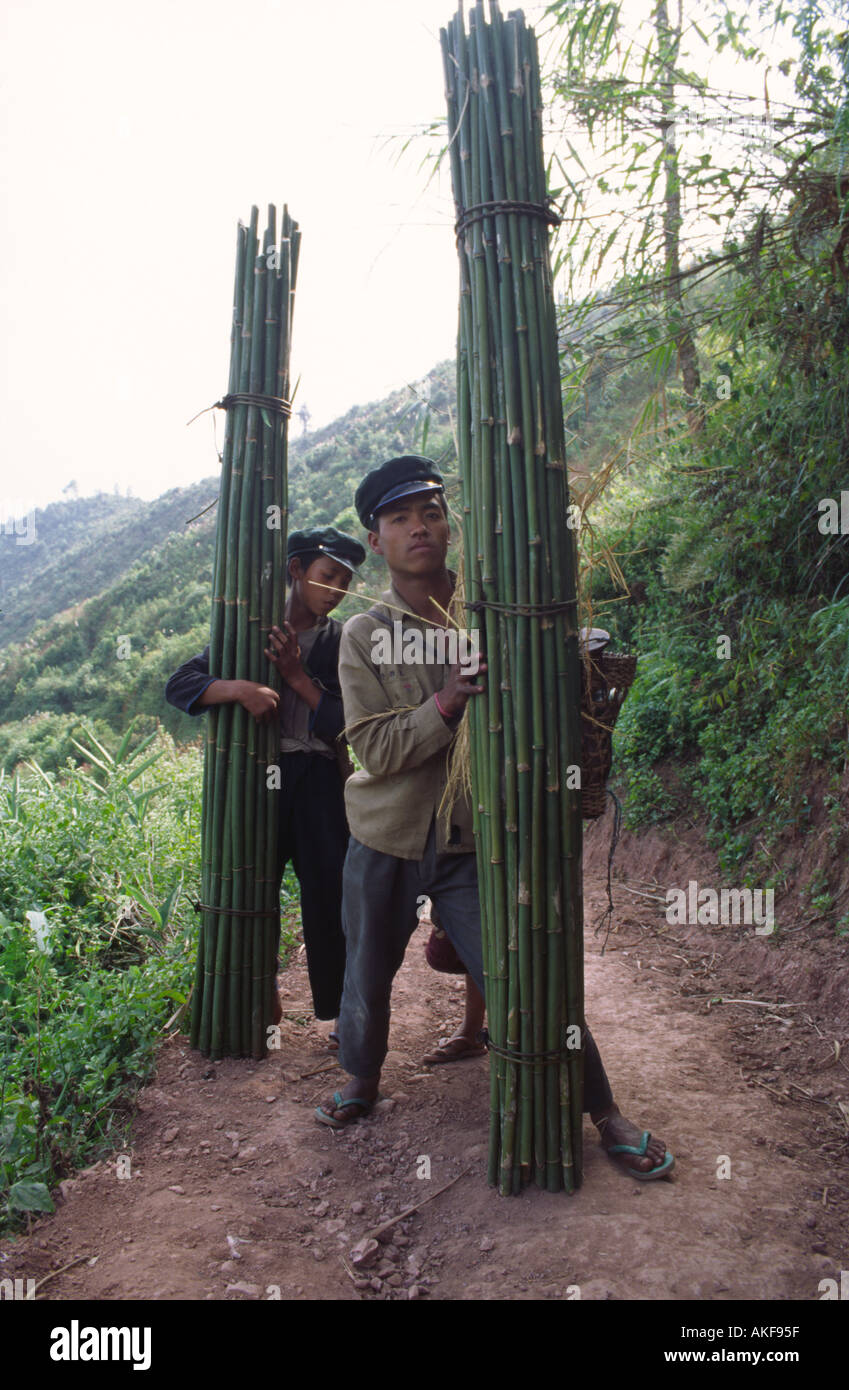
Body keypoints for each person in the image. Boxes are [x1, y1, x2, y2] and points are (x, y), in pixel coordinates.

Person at [315, 456, 674, 1181]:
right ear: (377, 543)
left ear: (449, 524)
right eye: (398, 519)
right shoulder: (363, 634)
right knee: (366, 968)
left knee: (520, 975)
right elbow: (377, 749)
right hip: (384, 835)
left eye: (431, 511)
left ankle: (602, 1110)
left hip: (473, 841)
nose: (419, 526)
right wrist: (448, 701)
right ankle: (361, 1077)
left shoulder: (495, 614)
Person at [165, 526, 365, 1036]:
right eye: (327, 576)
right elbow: (180, 684)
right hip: (256, 779)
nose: (336, 589)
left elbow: (349, 722)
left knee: (328, 891)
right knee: (254, 886)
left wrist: (296, 677)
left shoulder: (341, 640)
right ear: (297, 571)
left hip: (319, 778)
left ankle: (340, 1013)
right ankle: (261, 999)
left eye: (344, 581)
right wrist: (236, 689)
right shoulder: (251, 626)